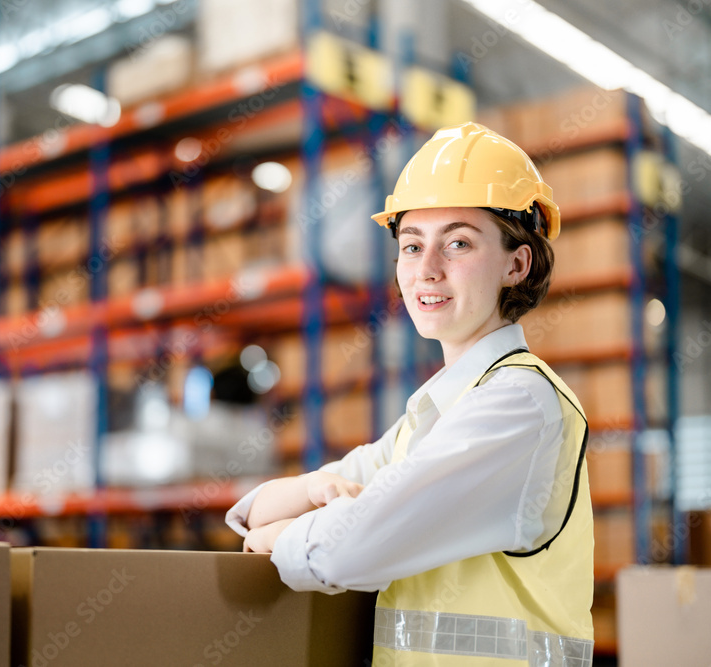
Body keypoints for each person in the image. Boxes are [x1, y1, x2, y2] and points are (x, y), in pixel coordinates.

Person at [226, 122, 594, 666]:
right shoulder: (435, 412)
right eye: (412, 245)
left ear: (518, 264)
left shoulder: (521, 405)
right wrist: (314, 489)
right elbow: (256, 515)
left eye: (459, 243)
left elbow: (344, 550)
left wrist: (285, 534)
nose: (427, 270)